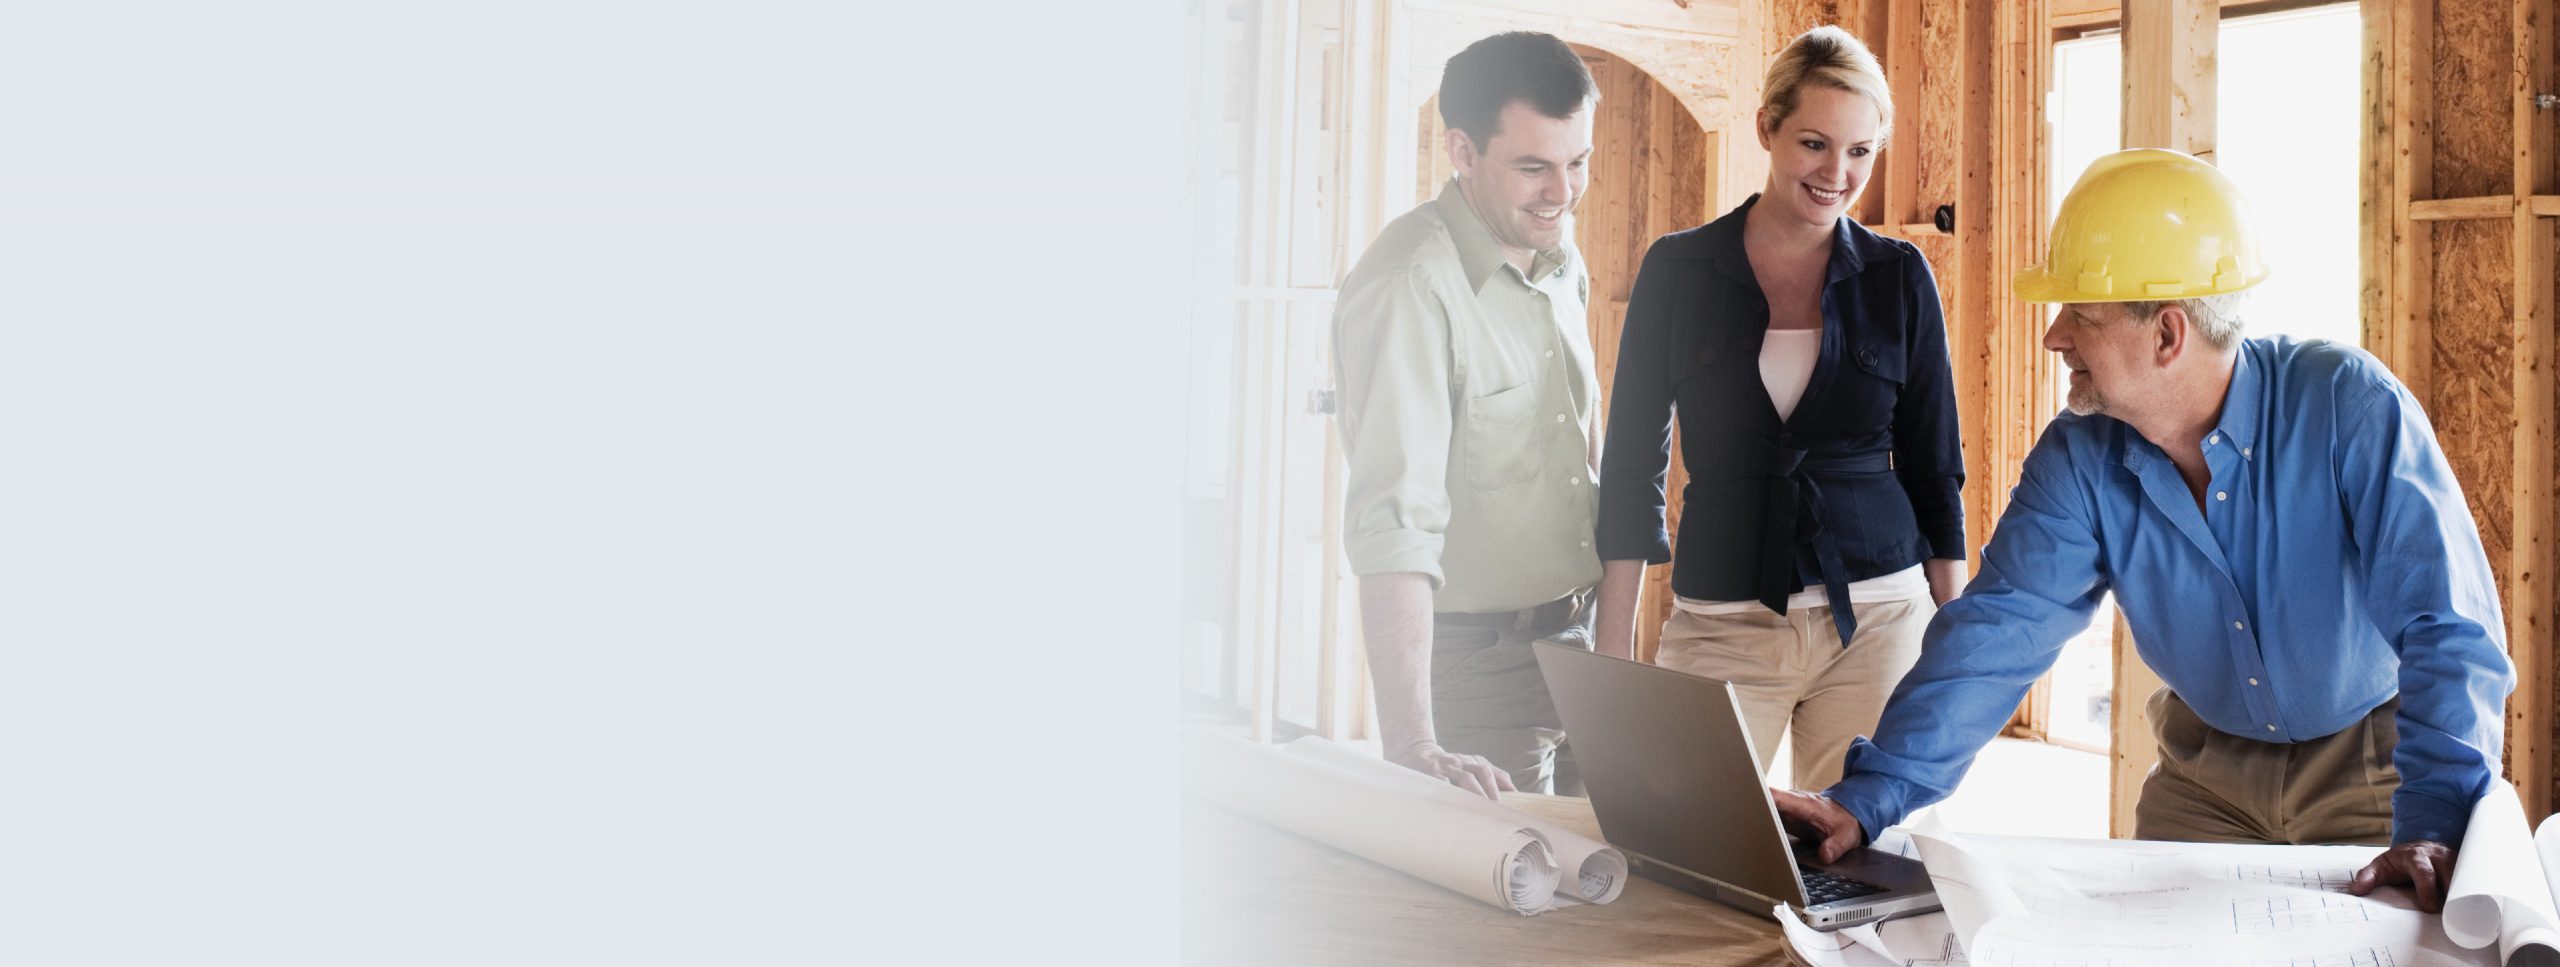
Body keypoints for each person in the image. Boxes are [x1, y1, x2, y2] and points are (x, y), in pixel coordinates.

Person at [1771, 147, 2516, 913]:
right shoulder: (2080, 455)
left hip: (2373, 766)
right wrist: (1871, 795)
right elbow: (1998, 631)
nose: (2054, 337)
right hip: (2206, 777)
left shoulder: (2348, 407)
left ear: (2167, 334)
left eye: (2080, 316)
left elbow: (2447, 623)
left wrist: (2436, 818)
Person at [1592, 25, 1966, 790]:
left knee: (1867, 870)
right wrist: (1612, 649)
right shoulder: (1678, 268)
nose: (1838, 173)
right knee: (1685, 838)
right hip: (1724, 618)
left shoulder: (1900, 277)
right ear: (1767, 127)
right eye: (1815, 144)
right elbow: (1632, 461)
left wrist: (1955, 644)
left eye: (1861, 151)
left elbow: (1935, 466)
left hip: (1882, 618)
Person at [1329, 31, 1603, 798]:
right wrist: (1413, 742)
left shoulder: (1558, 251)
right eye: (1533, 167)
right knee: (1515, 908)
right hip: (1478, 668)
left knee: (1616, 903)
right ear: (1462, 150)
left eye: (1577, 161)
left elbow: (1583, 432)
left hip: (1584, 651)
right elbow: (1395, 525)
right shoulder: (1409, 286)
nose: (1563, 190)